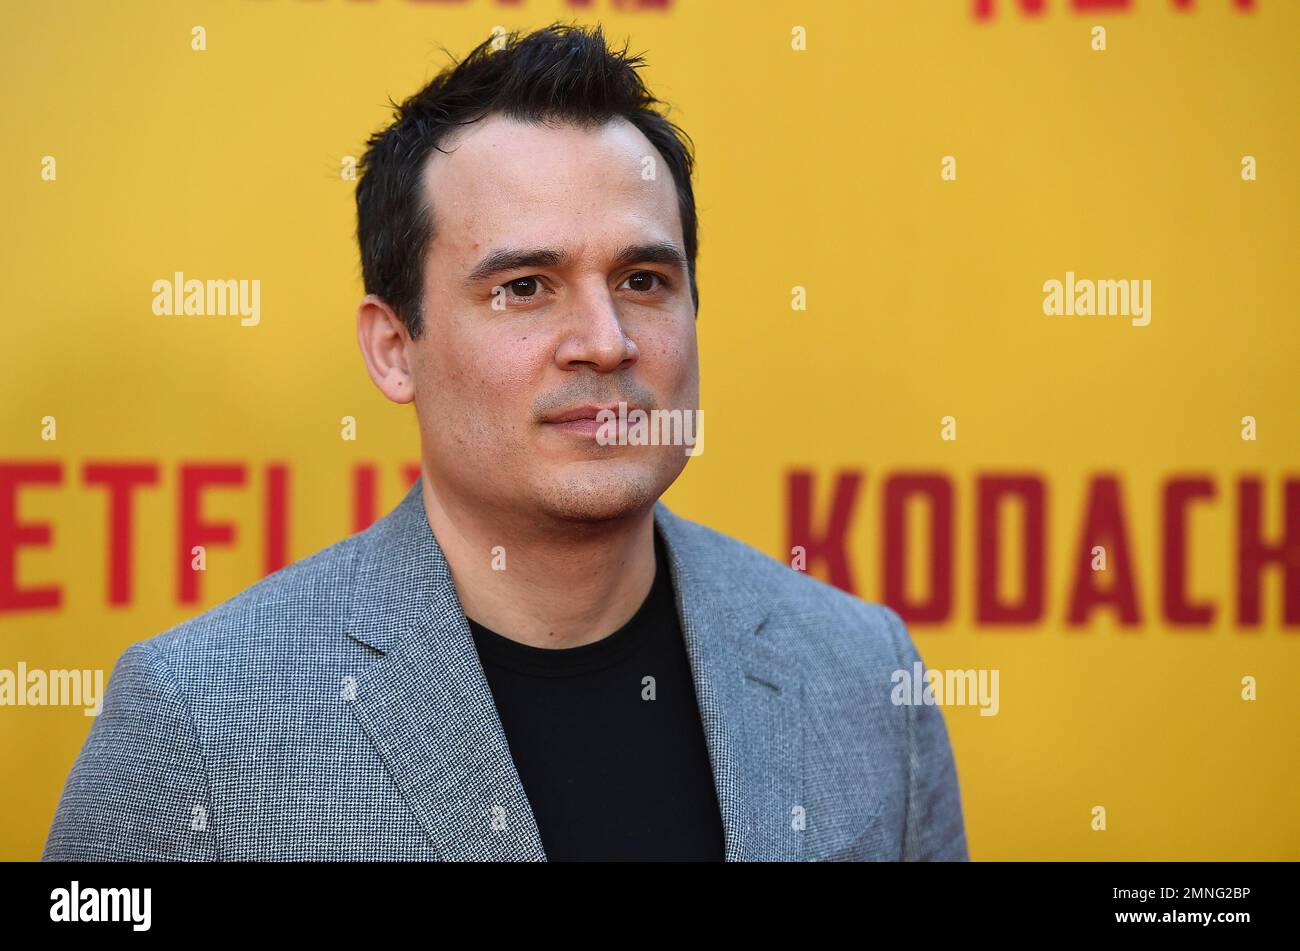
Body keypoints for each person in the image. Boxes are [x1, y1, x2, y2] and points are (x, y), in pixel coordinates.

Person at [43, 22, 967, 862]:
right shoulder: (200, 719)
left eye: (644, 279)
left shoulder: (860, 671)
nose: (606, 340)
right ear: (394, 348)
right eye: (526, 286)